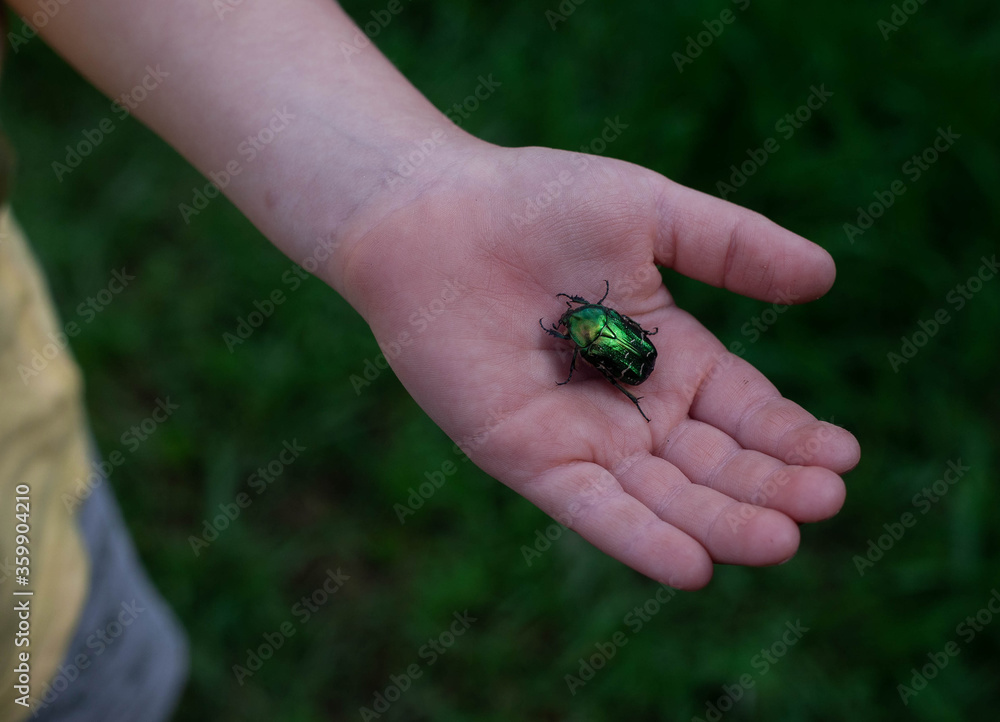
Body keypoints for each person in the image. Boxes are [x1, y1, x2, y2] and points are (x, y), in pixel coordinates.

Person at [0, 0, 860, 718]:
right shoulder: (588, 336)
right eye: (574, 330)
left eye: (575, 327)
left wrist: (406, 187)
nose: (568, 332)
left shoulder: (590, 326)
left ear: (585, 320)